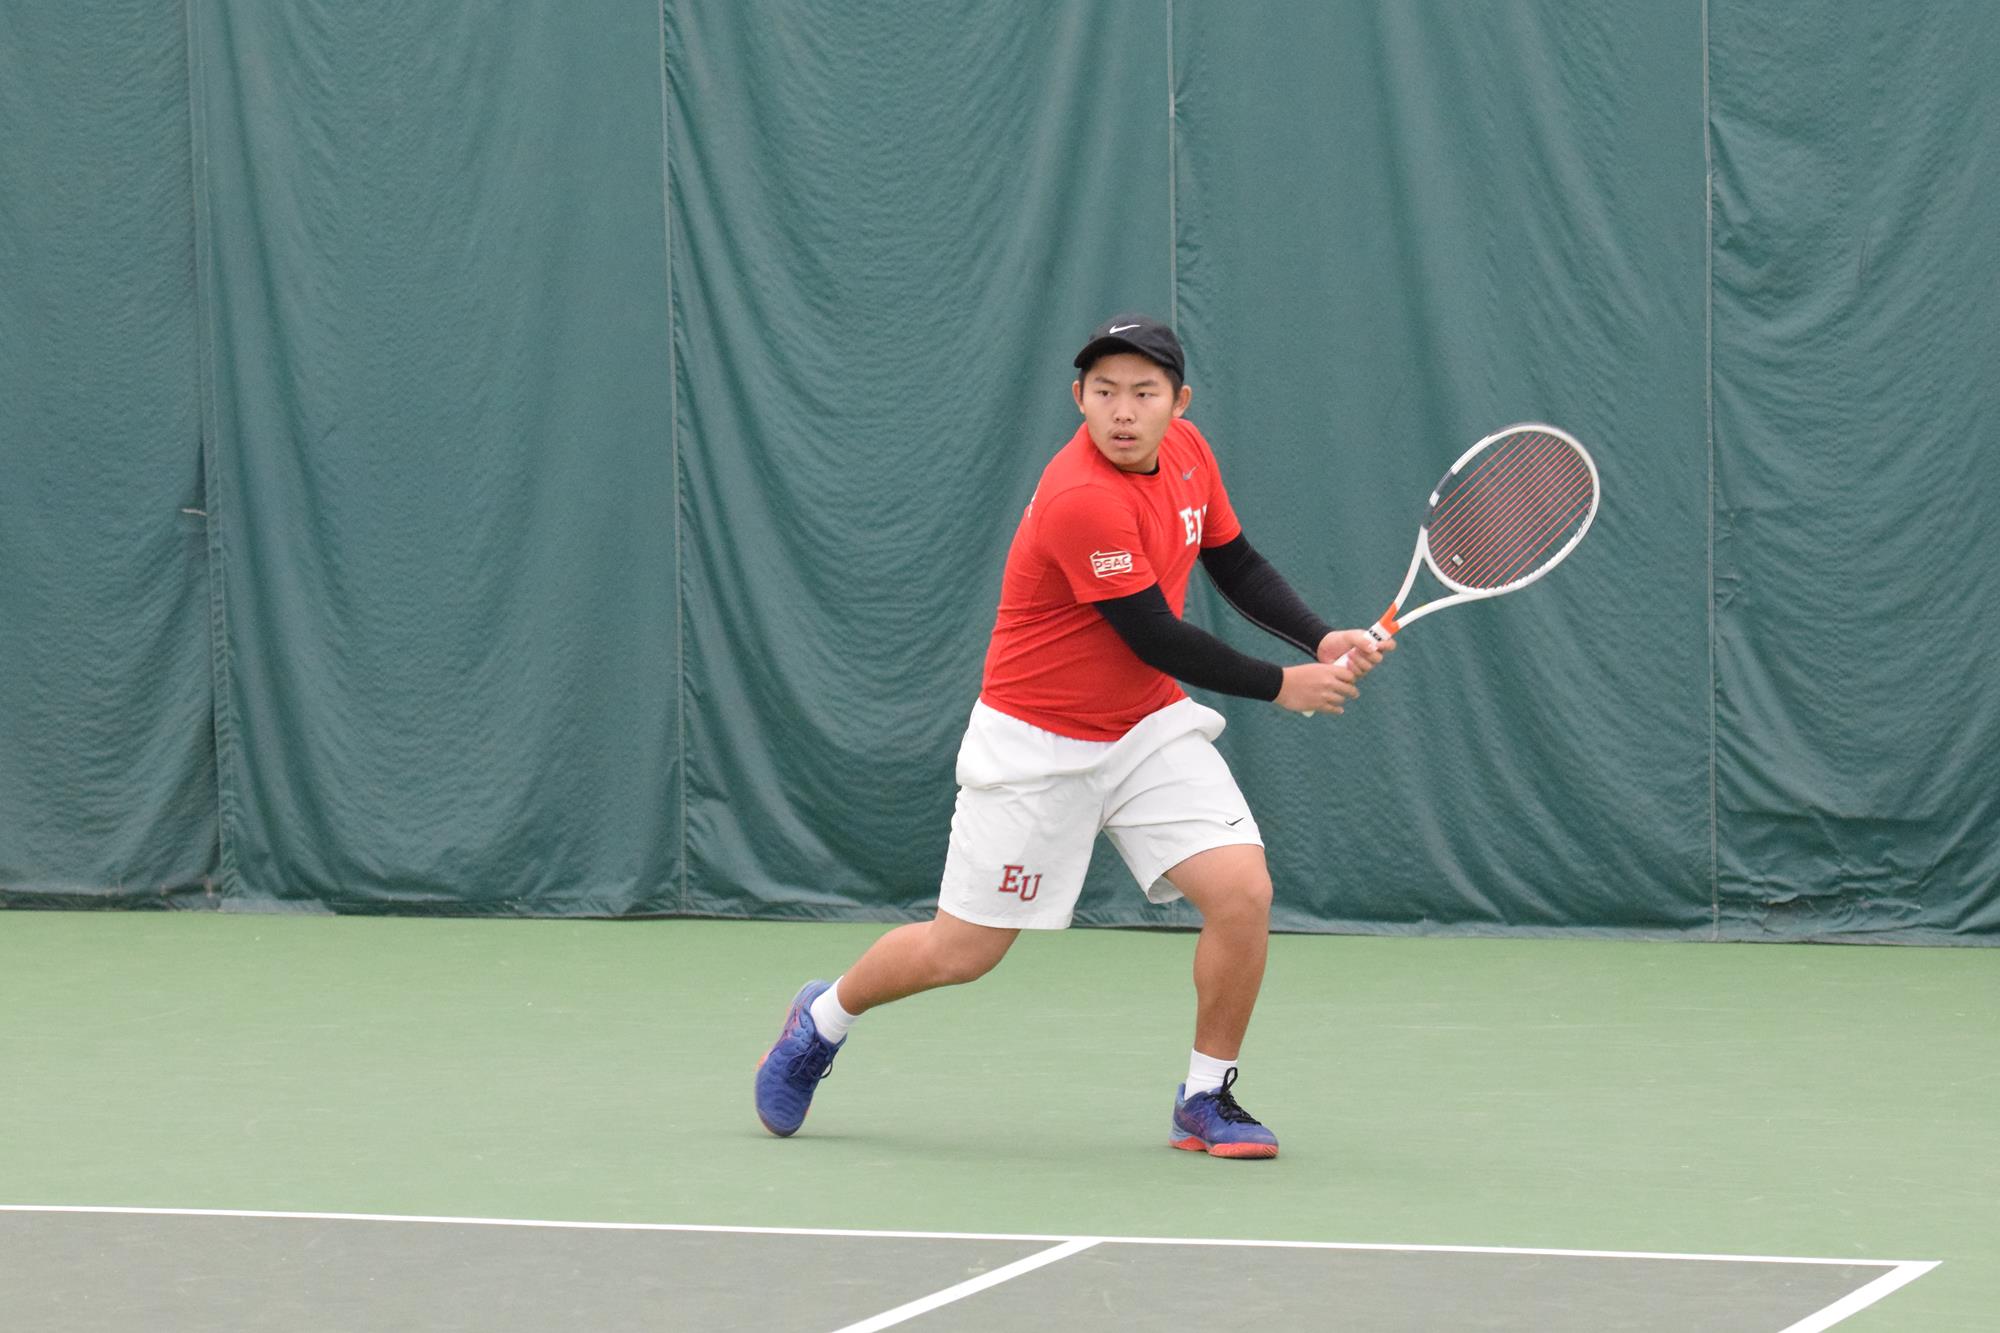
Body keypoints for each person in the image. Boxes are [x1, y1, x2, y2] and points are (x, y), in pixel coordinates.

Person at [754, 314, 1392, 1159]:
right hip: (1035, 744)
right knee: (962, 951)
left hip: (1145, 727)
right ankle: (823, 1016)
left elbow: (1233, 562)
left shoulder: (1192, 454)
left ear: (1179, 401)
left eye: (1144, 393)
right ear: (1078, 398)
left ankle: (1205, 1097)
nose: (1123, 411)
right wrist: (1284, 685)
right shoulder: (1080, 497)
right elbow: (1154, 634)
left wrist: (1316, 637)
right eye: (1104, 392)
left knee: (1243, 892)